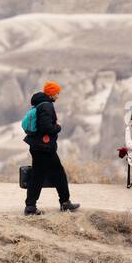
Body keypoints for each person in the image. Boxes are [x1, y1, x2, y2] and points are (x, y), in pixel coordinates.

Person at [23, 82, 79, 215]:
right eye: (57, 93)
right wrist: (57, 128)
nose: (58, 96)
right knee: (57, 174)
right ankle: (64, 203)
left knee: (39, 175)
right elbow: (45, 127)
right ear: (52, 93)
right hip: (44, 148)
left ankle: (31, 206)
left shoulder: (39, 104)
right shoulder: (47, 106)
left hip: (38, 146)